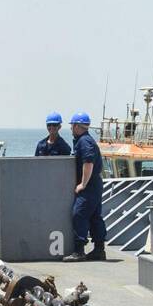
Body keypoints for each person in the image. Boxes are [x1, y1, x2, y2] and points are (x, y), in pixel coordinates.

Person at [64, 112, 107, 262]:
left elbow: (88, 163)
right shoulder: (87, 140)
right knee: (95, 217)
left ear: (76, 126)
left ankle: (79, 250)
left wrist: (83, 184)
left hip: (89, 186)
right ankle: (99, 250)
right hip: (95, 185)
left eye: (72, 126)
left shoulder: (84, 142)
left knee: (79, 214)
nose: (71, 129)